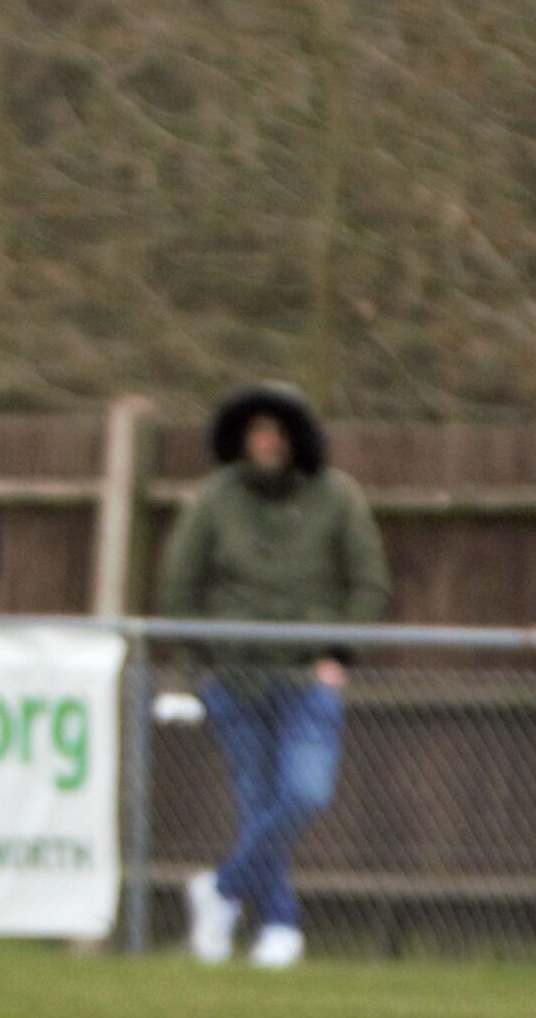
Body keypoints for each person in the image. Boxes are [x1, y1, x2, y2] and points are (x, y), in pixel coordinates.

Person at [159, 383, 389, 969]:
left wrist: (339, 653)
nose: (267, 442)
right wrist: (200, 665)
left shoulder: (338, 497)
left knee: (305, 793)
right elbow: (180, 586)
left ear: (296, 438)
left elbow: (368, 583)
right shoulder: (214, 499)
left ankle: (220, 889)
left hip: (308, 677)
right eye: (257, 431)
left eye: (277, 431)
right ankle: (280, 926)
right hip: (235, 679)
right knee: (257, 803)